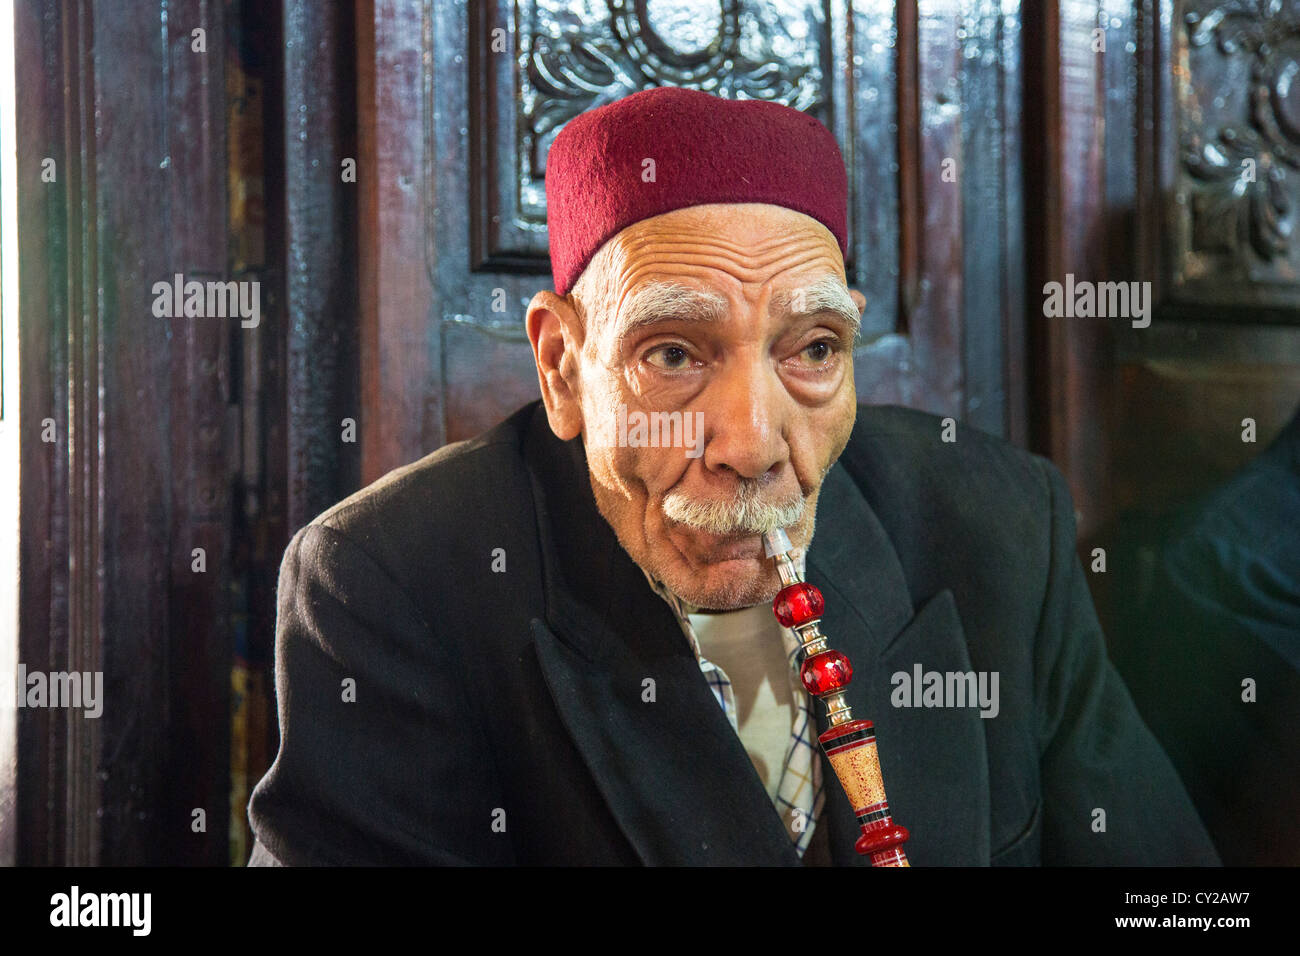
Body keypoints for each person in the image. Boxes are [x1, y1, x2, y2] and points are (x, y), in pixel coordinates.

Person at [246, 86, 1217, 865]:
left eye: (812, 348)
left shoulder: (997, 523)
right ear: (560, 365)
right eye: (673, 353)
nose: (753, 441)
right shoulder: (393, 584)